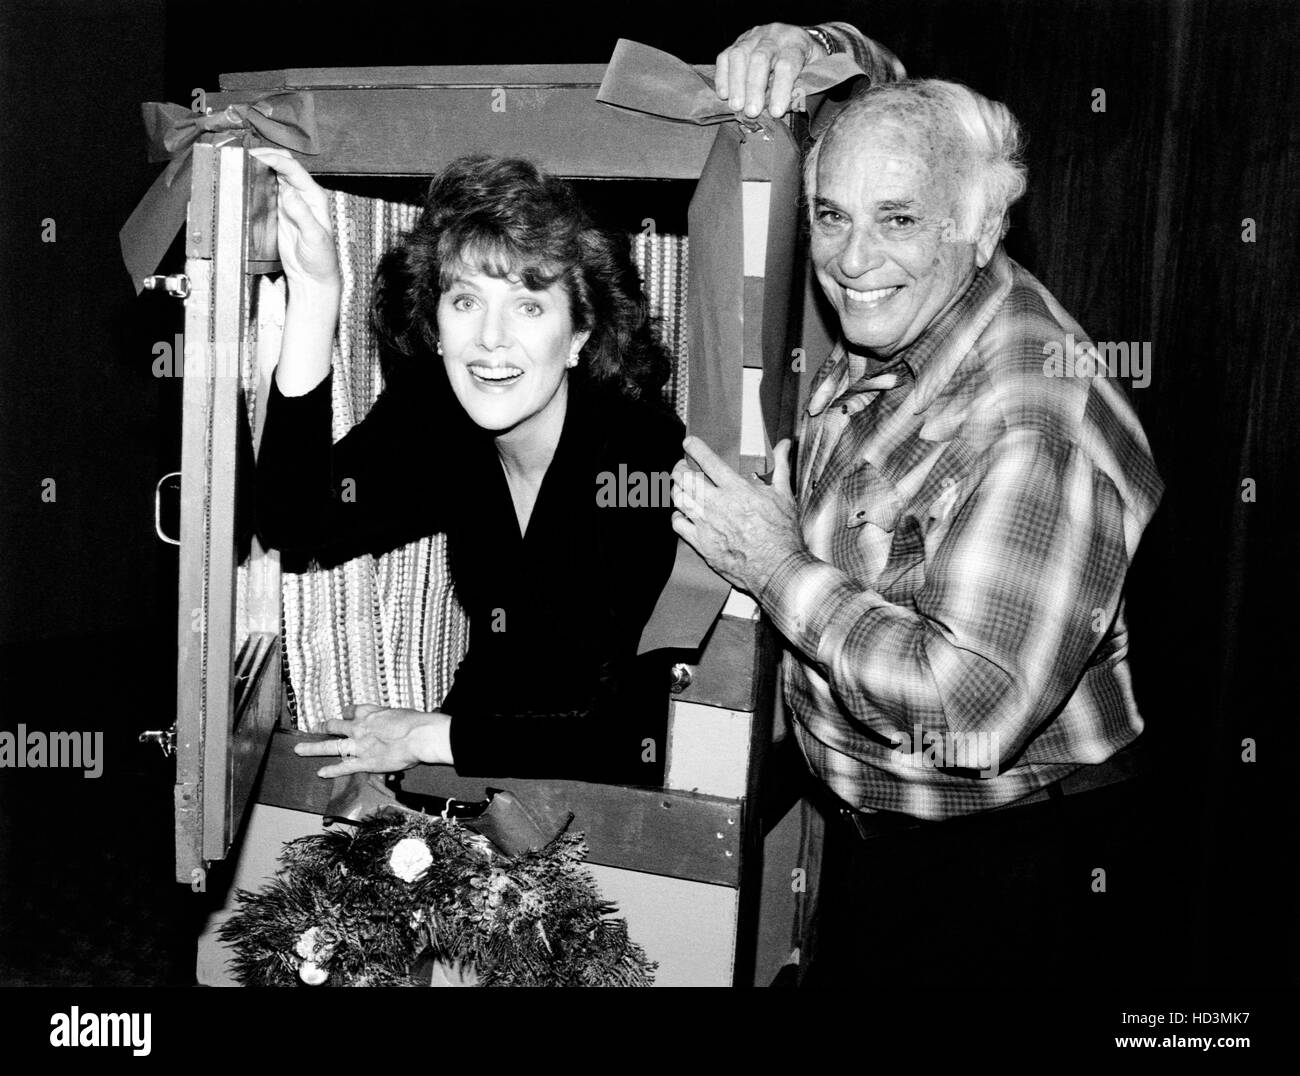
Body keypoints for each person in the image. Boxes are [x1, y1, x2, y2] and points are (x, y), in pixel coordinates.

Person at [671, 24, 1166, 985]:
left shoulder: (1032, 420)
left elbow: (970, 711)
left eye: (899, 220)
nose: (853, 261)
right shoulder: (912, 304)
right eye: (830, 215)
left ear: (981, 228)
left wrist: (776, 567)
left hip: (1010, 872)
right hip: (888, 840)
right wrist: (809, 42)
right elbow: (892, 96)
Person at [251, 150, 683, 787]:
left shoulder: (640, 462)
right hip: (475, 765)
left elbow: (638, 734)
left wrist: (424, 734)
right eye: (465, 302)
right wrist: (317, 295)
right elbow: (292, 519)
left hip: (611, 799)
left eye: (530, 306)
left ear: (581, 335)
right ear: (435, 322)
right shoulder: (441, 416)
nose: (490, 339)